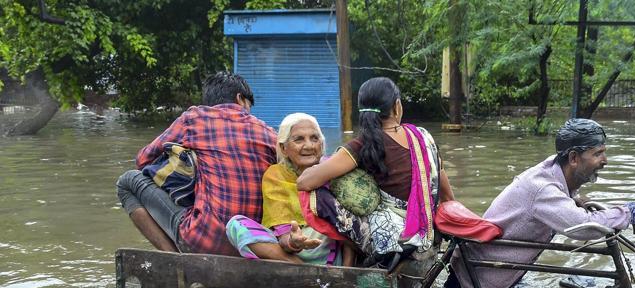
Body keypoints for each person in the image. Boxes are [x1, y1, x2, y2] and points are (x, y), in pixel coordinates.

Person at [448, 118, 635, 288]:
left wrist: (571, 198)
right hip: (474, 285)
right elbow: (583, 227)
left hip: (494, 275)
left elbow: (556, 195)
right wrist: (631, 211)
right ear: (573, 158)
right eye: (597, 153)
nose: (604, 161)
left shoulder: (553, 170)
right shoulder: (543, 188)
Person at [296, 77, 455, 267]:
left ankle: (356, 256)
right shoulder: (424, 136)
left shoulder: (363, 143)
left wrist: (321, 164)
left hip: (397, 242)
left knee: (317, 194)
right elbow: (447, 196)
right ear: (397, 107)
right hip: (430, 237)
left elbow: (304, 182)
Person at [116, 72, 277, 255]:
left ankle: (176, 259)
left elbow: (143, 159)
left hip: (204, 239)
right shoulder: (268, 132)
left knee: (127, 181)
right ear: (240, 99)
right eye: (249, 105)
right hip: (254, 243)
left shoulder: (194, 118)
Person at [225, 113, 342, 265]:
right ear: (283, 148)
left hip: (326, 247)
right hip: (287, 250)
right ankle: (299, 267)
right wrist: (294, 242)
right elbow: (283, 231)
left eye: (314, 138)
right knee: (235, 225)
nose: (309, 145)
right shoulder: (275, 175)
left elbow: (347, 226)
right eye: (299, 139)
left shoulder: (332, 168)